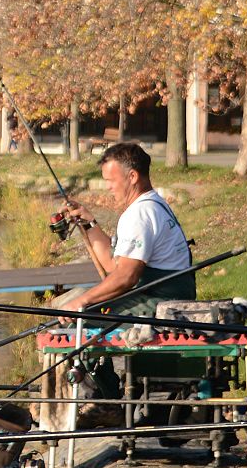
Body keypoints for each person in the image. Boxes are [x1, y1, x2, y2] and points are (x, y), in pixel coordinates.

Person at [60, 141, 194, 418]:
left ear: (132, 176)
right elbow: (113, 264)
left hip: (161, 301)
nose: (108, 186)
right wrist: (88, 223)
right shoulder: (152, 204)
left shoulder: (141, 213)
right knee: (85, 309)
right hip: (161, 294)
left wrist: (80, 303)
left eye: (111, 180)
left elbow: (126, 277)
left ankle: (107, 403)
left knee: (81, 322)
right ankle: (109, 396)